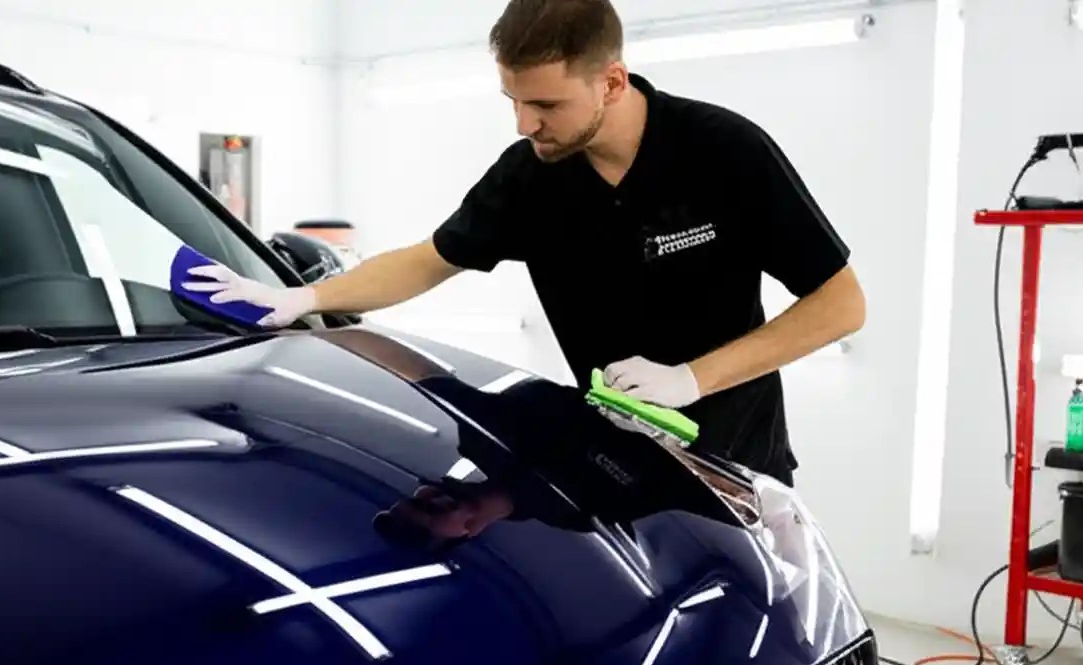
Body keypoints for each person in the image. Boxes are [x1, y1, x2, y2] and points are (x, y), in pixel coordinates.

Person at [182, 0, 866, 486]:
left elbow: (841, 305)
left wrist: (691, 379)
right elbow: (429, 259)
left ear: (612, 82)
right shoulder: (531, 176)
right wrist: (303, 297)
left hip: (735, 468)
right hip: (613, 462)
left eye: (545, 105)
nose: (523, 124)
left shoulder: (723, 151)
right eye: (512, 100)